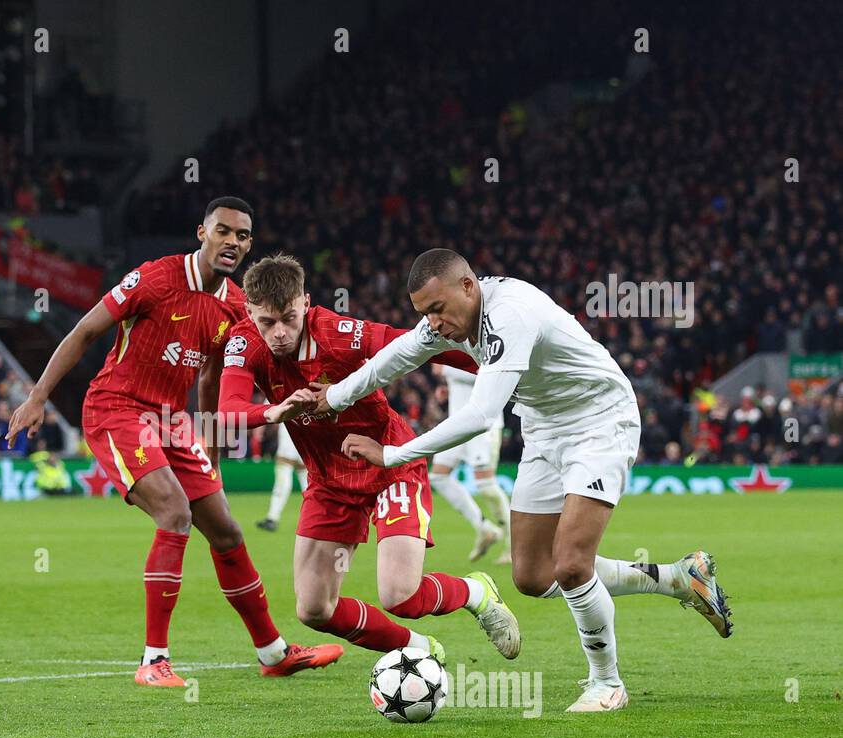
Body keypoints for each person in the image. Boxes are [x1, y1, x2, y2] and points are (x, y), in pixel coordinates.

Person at [314, 249, 732, 712]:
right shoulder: (451, 319)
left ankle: (607, 682)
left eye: (436, 309)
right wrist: (332, 398)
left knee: (573, 564)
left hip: (600, 422)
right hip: (544, 429)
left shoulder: (510, 313)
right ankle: (678, 579)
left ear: (467, 286)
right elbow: (393, 359)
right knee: (532, 576)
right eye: (423, 313)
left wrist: (391, 454)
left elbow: (481, 415)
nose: (432, 323)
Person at [5, 197, 342, 686]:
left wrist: (215, 443)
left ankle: (273, 652)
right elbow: (85, 330)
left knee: (226, 531)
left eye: (243, 236)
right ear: (201, 232)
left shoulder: (231, 306)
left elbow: (211, 379)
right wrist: (37, 397)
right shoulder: (155, 277)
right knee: (175, 513)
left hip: (173, 422)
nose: (233, 242)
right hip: (116, 409)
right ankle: (152, 660)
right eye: (223, 231)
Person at [218, 254, 520, 662]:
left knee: (400, 595)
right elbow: (228, 410)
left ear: (306, 303)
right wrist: (271, 412)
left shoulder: (339, 333)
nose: (279, 333)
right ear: (250, 311)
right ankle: (418, 649)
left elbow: (419, 346)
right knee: (314, 609)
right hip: (329, 481)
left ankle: (476, 592)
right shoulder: (244, 343)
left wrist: (508, 367)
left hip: (388, 464)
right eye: (266, 322)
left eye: (288, 318)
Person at [428, 365, 511, 563]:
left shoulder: (480, 338)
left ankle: (514, 544)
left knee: (487, 487)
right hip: (458, 423)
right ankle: (484, 528)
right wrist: (450, 388)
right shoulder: (456, 341)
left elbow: (487, 373)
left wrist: (447, 370)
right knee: (438, 476)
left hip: (483, 425)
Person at [256, 420, 306, 532]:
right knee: (309, 485)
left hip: (289, 443)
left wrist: (260, 431)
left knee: (282, 485)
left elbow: (266, 412)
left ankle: (272, 518)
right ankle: (317, 518)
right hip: (306, 442)